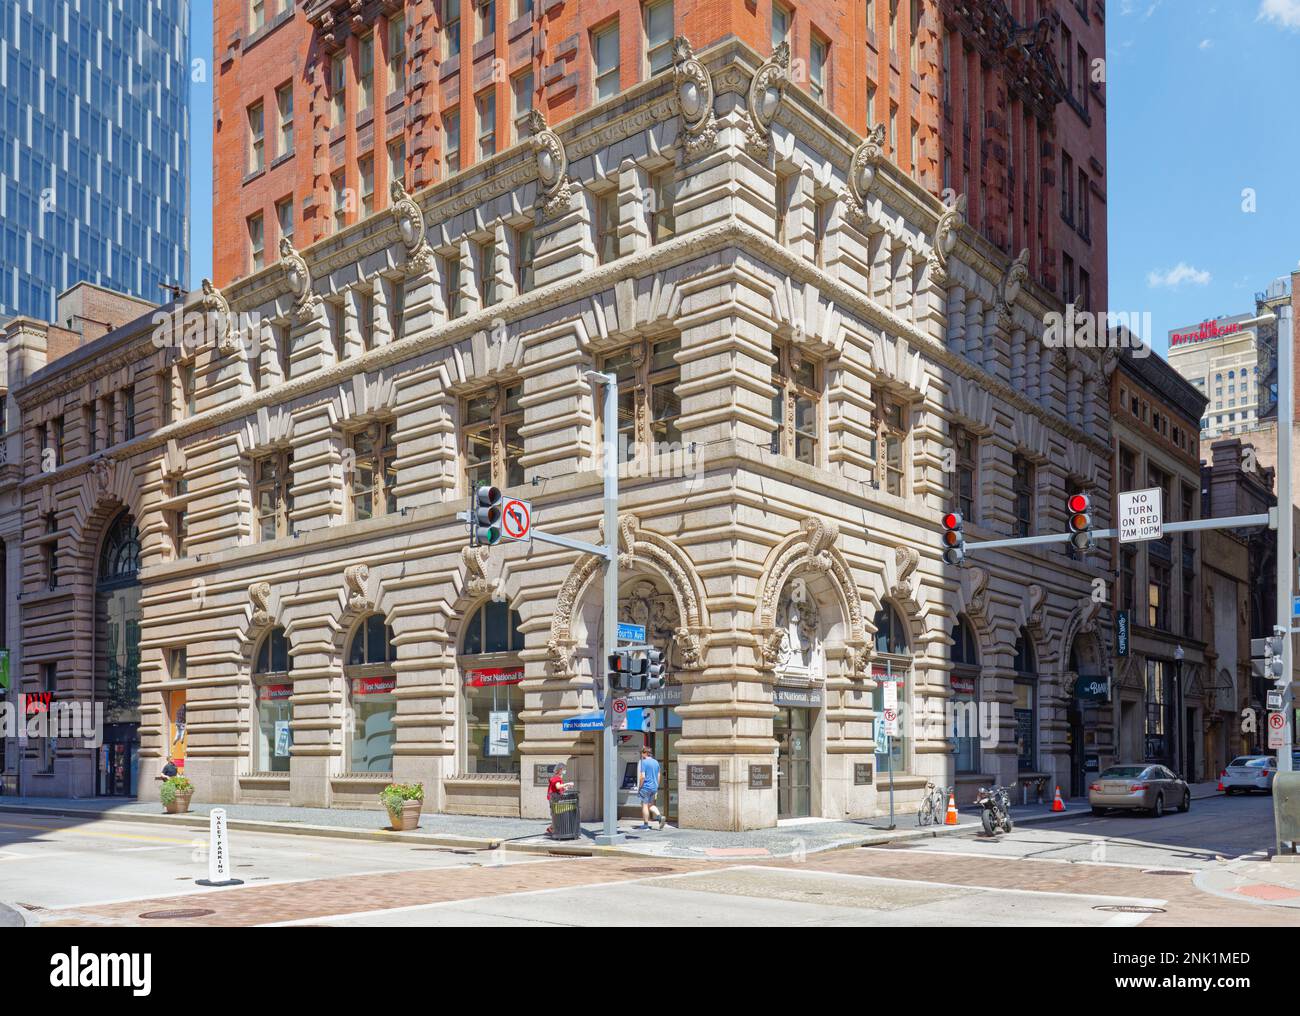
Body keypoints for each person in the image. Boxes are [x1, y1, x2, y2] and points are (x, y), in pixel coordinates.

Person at [636, 747, 666, 830]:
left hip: (645, 787)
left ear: (645, 753)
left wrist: (640, 787)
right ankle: (660, 817)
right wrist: (656, 786)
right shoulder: (656, 762)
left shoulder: (644, 763)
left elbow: (642, 777)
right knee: (650, 805)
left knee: (644, 805)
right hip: (654, 787)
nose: (641, 755)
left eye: (642, 753)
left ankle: (646, 825)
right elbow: (659, 775)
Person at [545, 762, 572, 837]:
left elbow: (558, 789)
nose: (564, 771)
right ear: (560, 770)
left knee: (556, 814)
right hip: (554, 799)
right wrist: (567, 784)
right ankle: (552, 829)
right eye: (564, 769)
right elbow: (557, 787)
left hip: (555, 798)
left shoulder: (557, 778)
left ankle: (552, 828)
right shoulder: (557, 778)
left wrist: (565, 788)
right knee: (556, 814)